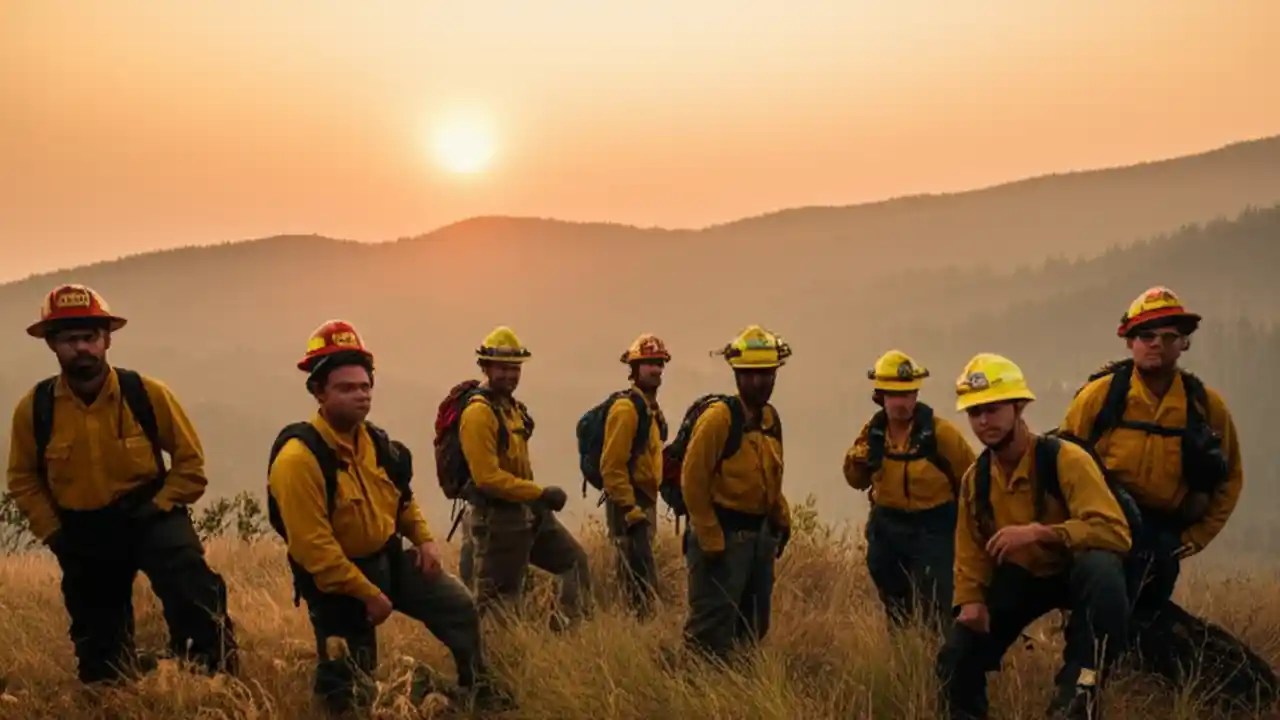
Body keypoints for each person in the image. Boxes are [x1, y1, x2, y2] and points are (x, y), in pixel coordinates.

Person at [266, 320, 508, 714]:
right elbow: (315, 550)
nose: (361, 396)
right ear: (318, 392)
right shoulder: (299, 460)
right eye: (346, 388)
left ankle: (478, 689)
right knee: (350, 683)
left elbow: (402, 499)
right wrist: (369, 594)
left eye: (365, 387)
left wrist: (425, 540)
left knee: (458, 606)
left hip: (389, 559)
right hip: (338, 585)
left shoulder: (374, 441)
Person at [5, 283, 238, 685]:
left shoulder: (146, 394)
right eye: (69, 338)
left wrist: (162, 505)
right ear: (51, 345)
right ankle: (117, 693)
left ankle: (215, 686)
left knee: (195, 596)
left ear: (107, 339)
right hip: (81, 528)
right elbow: (22, 478)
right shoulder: (35, 409)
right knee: (100, 652)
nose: (82, 348)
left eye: (90, 337)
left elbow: (191, 464)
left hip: (151, 514)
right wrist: (54, 532)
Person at [936, 353, 1131, 720]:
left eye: (993, 409)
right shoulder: (974, 482)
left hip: (1078, 572)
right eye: (975, 412)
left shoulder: (1065, 460)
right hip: (1023, 578)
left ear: (1019, 406)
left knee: (1102, 569)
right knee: (955, 660)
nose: (983, 421)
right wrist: (971, 602)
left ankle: (1078, 693)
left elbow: (1115, 532)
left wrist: (1041, 533)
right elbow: (970, 554)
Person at [1058, 287, 1243, 660]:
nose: (1157, 344)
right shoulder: (1100, 397)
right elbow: (1061, 463)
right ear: (1129, 341)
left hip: (1163, 538)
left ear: (1183, 344)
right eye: (1146, 335)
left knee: (1141, 621)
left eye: (1169, 336)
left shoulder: (1205, 405)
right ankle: (1083, 689)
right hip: (1106, 527)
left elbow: (1230, 477)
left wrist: (1197, 536)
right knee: (1101, 615)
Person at [460, 326, 591, 629]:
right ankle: (493, 669)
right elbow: (486, 477)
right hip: (498, 519)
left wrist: (535, 501)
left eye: (515, 368)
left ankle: (569, 634)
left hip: (529, 512)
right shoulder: (479, 413)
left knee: (574, 562)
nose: (510, 375)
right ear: (485, 367)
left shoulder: (512, 408)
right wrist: (538, 493)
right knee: (499, 604)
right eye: (502, 368)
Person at [680, 325, 792, 661]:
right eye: (752, 374)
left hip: (758, 539)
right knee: (710, 631)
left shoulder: (770, 419)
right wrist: (711, 537)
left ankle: (738, 699)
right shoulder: (719, 419)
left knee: (752, 628)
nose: (761, 381)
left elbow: (771, 475)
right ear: (738, 375)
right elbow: (692, 479)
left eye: (767, 373)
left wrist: (780, 517)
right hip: (723, 539)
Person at [843, 350, 976, 630]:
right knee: (897, 609)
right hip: (888, 530)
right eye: (894, 395)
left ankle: (937, 663)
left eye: (908, 394)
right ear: (880, 396)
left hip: (933, 531)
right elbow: (855, 480)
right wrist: (858, 461)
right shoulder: (873, 434)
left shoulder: (941, 434)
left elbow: (972, 479)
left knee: (936, 609)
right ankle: (904, 661)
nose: (902, 403)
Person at [599, 334, 670, 618]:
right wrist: (630, 509)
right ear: (634, 368)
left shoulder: (650, 410)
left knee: (642, 575)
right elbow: (612, 467)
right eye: (648, 363)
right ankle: (629, 627)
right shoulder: (626, 410)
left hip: (645, 501)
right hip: (628, 505)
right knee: (632, 577)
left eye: (659, 363)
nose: (656, 369)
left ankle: (639, 627)